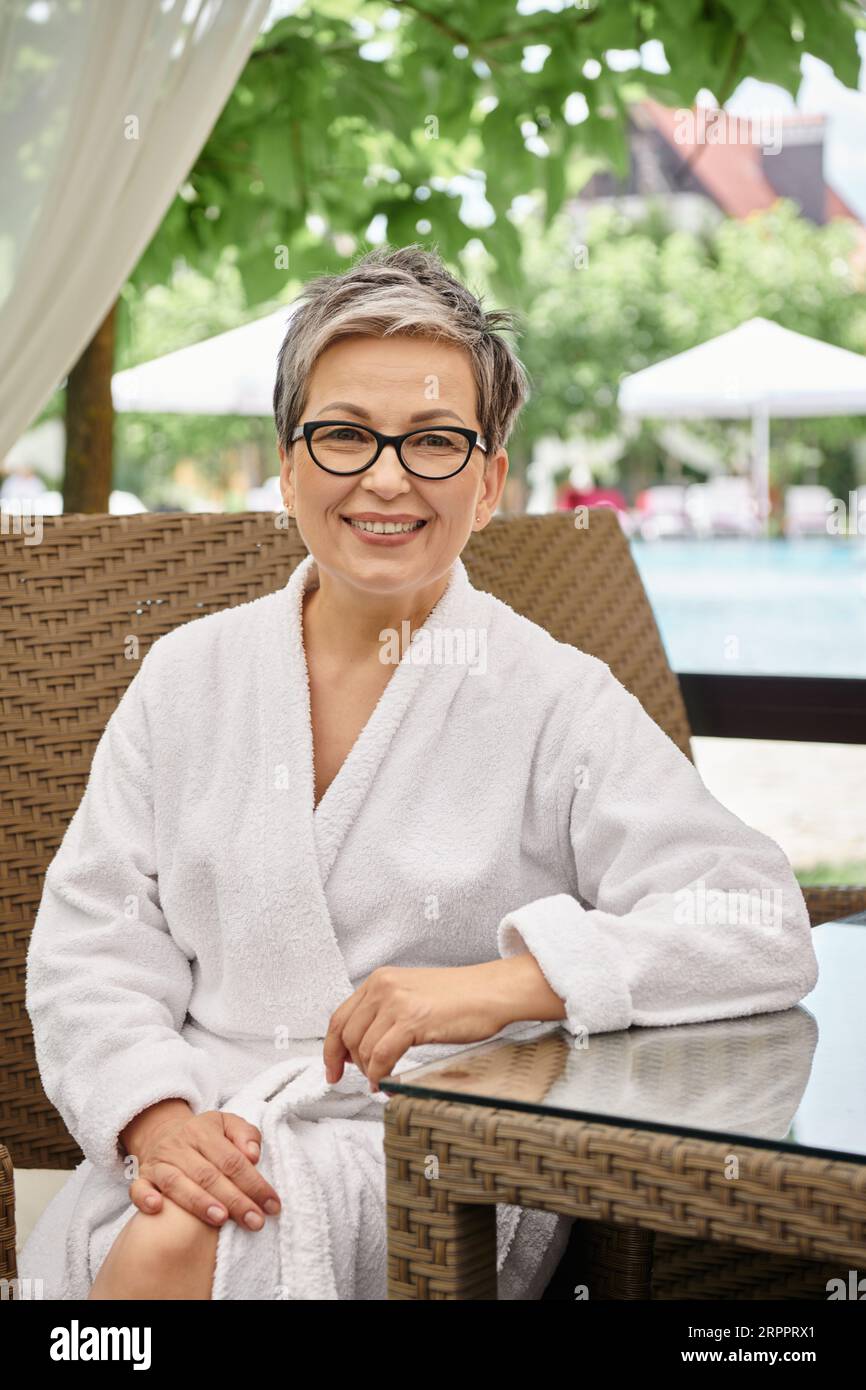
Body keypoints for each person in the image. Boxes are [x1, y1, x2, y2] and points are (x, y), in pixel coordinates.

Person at [20, 245, 818, 1301]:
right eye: (344, 434)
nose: (385, 477)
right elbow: (91, 944)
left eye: (434, 441)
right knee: (175, 1223)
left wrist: (503, 987)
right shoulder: (186, 676)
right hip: (187, 1125)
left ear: (488, 480)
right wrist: (154, 1117)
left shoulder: (551, 696)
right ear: (288, 463)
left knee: (174, 1246)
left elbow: (756, 919)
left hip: (441, 1150)